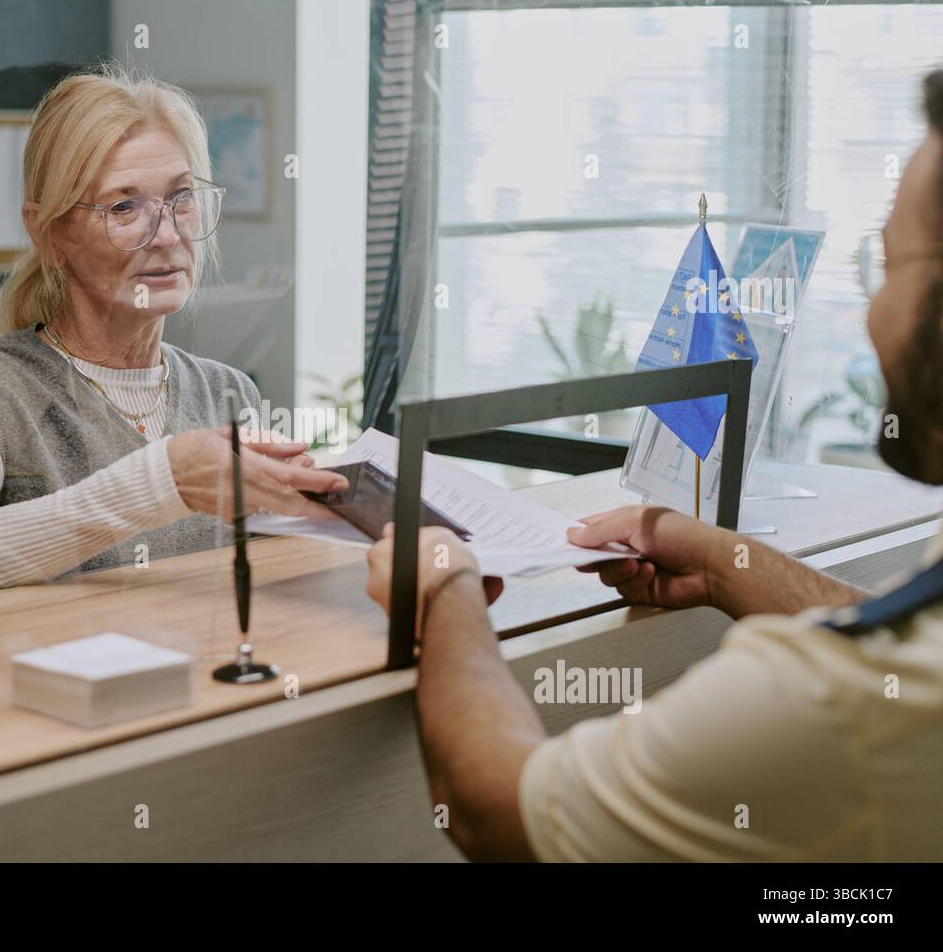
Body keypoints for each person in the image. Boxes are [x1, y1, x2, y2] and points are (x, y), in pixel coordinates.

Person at [363, 71, 943, 862]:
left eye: (884, 268)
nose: (870, 309)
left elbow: (493, 807)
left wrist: (446, 586)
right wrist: (726, 562)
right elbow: (892, 642)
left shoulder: (839, 708)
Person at [0, 63, 344, 605]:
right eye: (124, 206)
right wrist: (165, 479)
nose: (167, 233)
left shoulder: (228, 394)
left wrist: (325, 510)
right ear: (50, 232)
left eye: (181, 197)